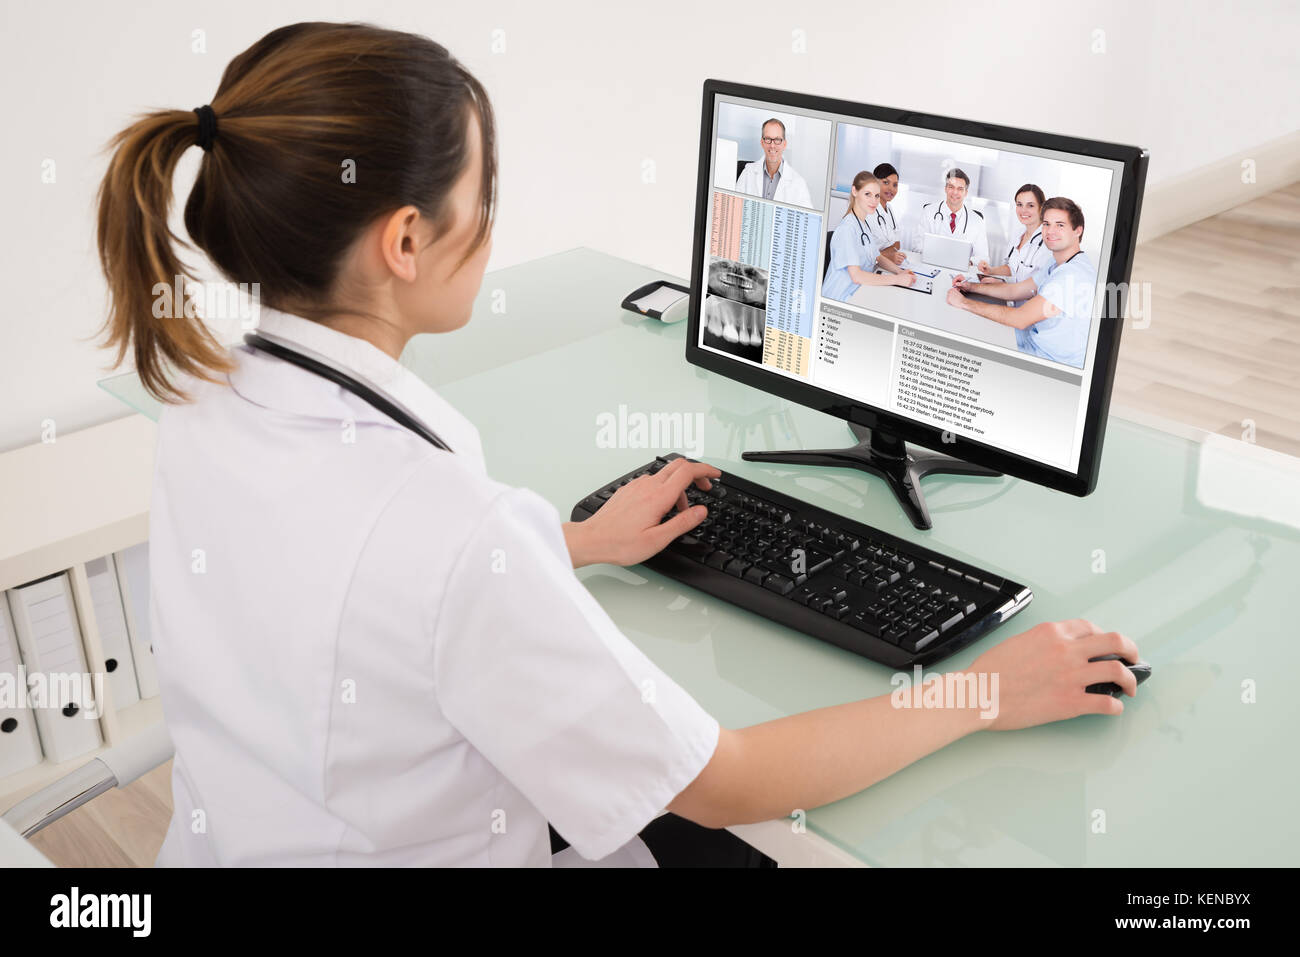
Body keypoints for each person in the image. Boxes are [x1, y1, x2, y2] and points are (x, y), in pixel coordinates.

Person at [95, 22, 1140, 868]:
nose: (492, 221)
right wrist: (978, 694)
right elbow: (721, 778)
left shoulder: (201, 397)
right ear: (406, 241)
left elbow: (349, 586)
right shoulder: (454, 532)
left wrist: (570, 545)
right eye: (483, 195)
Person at [946, 197, 1096, 368]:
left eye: (1060, 225)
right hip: (1035, 337)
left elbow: (1020, 319)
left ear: (1078, 231)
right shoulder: (1058, 263)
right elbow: (1015, 291)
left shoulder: (1073, 275)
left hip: (1050, 359)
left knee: (967, 346)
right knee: (972, 326)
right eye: (1046, 224)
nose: (1050, 231)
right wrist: (971, 287)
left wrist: (964, 302)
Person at [822, 172, 917, 302]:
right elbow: (856, 276)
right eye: (868, 194)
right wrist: (897, 279)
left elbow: (877, 257)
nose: (874, 201)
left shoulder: (862, 225)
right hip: (841, 297)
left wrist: (899, 271)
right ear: (854, 191)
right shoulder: (847, 230)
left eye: (877, 196)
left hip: (859, 291)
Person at [977, 184, 1052, 283]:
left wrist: (1002, 284)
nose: (1023, 210)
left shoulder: (1048, 243)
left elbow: (1039, 285)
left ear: (1041, 207)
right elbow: (1011, 269)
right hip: (1008, 294)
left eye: (1030, 205)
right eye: (1019, 204)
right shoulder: (1018, 234)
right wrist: (991, 270)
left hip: (1026, 298)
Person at [734, 118, 814, 208]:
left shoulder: (798, 183)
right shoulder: (748, 172)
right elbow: (734, 208)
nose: (772, 145)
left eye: (777, 140)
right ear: (762, 142)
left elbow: (805, 219)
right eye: (768, 139)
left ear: (784, 144)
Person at [919, 167, 989, 266]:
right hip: (932, 266)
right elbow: (917, 246)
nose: (955, 192)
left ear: (966, 193)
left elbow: (983, 257)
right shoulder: (929, 211)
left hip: (961, 272)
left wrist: (967, 262)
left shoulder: (977, 220)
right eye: (951, 187)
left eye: (960, 189)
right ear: (945, 189)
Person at [871, 162, 906, 265]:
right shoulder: (867, 211)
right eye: (886, 182)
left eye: (895, 185)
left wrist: (883, 254)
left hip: (882, 264)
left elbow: (897, 244)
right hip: (869, 268)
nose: (891, 189)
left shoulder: (889, 208)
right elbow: (864, 254)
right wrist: (888, 255)